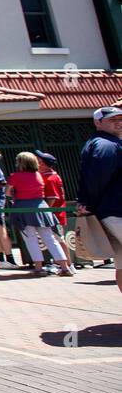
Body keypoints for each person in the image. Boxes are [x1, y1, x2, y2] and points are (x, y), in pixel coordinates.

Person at [7, 152, 73, 277]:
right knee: (50, 238)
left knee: (30, 238)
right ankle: (65, 267)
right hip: (42, 207)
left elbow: (8, 192)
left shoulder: (15, 176)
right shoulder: (38, 175)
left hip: (23, 208)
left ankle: (38, 268)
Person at [79, 107, 122, 293]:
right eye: (113, 119)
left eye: (120, 118)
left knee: (121, 264)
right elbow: (98, 177)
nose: (118, 122)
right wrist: (89, 202)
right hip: (116, 211)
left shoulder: (100, 143)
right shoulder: (107, 144)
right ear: (98, 122)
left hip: (109, 211)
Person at [35, 151, 68, 236]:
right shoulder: (49, 175)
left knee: (58, 240)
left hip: (55, 215)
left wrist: (45, 213)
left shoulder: (50, 179)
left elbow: (52, 198)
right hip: (54, 214)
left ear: (41, 163)